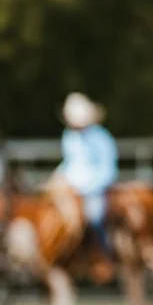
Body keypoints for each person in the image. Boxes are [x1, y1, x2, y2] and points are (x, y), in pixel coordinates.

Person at [54, 92, 117, 255]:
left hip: (94, 189)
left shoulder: (101, 138)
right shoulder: (69, 136)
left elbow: (107, 170)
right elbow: (70, 162)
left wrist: (90, 187)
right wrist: (58, 176)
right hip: (71, 186)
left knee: (95, 217)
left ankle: (105, 252)